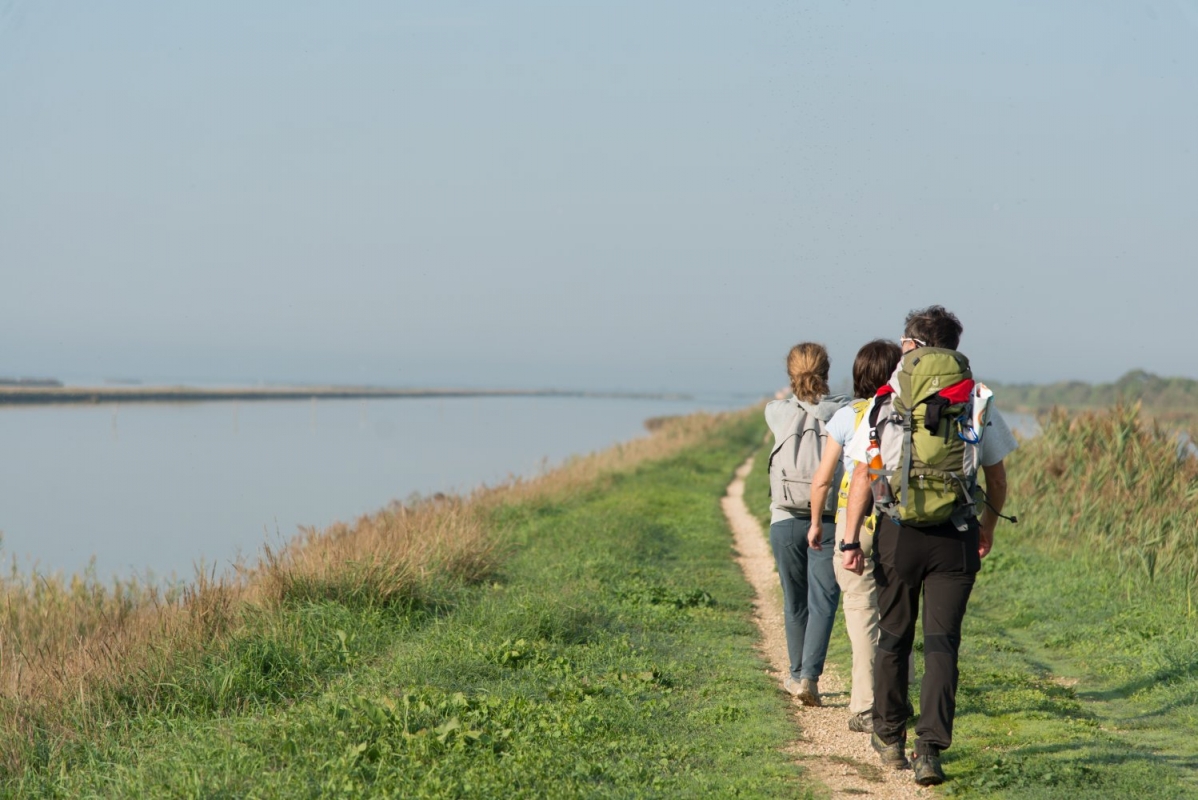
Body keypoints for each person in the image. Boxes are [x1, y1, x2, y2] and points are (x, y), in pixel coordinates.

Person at [840, 306, 1018, 786]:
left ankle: (890, 737)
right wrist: (987, 527)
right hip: (955, 536)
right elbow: (997, 476)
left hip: (898, 533)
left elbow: (863, 473)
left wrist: (849, 539)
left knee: (894, 635)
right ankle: (930, 750)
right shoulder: (976, 398)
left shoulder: (886, 398)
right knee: (943, 644)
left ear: (913, 344)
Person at [806, 339, 903, 734]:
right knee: (898, 610)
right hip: (898, 516)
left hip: (855, 520)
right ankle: (897, 697)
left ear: (859, 374)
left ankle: (865, 707)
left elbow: (824, 476)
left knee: (862, 614)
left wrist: (817, 522)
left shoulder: (847, 417)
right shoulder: (904, 414)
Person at [764, 343, 848, 706]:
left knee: (793, 600)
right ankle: (810, 678)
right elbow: (826, 406)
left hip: (784, 518)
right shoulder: (844, 410)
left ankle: (796, 674)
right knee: (823, 601)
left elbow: (783, 401)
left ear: (790, 373)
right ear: (827, 372)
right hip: (828, 518)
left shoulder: (776, 412)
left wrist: (792, 391)